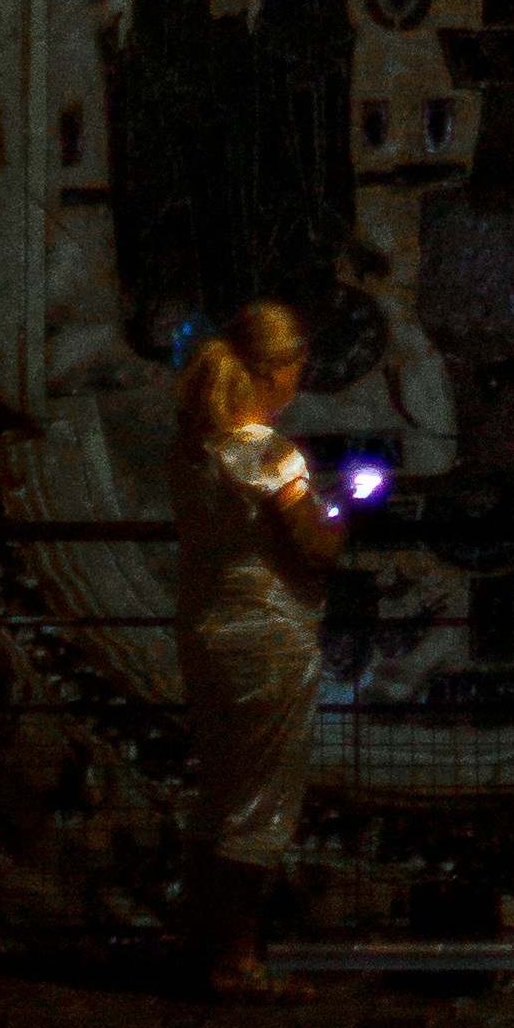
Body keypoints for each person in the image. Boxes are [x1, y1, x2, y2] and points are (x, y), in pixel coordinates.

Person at [171, 306, 348, 992]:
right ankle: (238, 958)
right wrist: (350, 509)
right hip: (269, 634)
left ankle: (203, 940)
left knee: (220, 790)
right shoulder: (266, 452)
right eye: (299, 363)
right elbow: (313, 545)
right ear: (277, 370)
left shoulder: (194, 448)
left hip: (208, 627)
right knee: (261, 799)